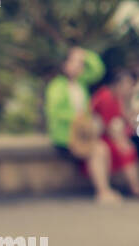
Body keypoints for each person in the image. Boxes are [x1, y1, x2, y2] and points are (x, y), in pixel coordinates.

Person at [44, 46, 122, 204]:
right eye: (75, 62)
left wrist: (85, 55)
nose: (79, 66)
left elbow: (98, 70)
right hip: (66, 136)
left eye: (80, 64)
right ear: (65, 65)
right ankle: (102, 191)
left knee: (103, 149)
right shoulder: (57, 86)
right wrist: (77, 118)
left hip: (83, 133)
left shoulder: (80, 82)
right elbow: (54, 112)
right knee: (98, 150)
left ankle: (105, 188)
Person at [89, 66, 139, 198]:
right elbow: (110, 126)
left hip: (111, 136)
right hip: (101, 138)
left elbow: (127, 120)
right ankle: (135, 187)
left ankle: (136, 186)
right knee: (126, 150)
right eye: (127, 84)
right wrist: (122, 142)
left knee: (130, 146)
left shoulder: (116, 98)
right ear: (118, 84)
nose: (129, 88)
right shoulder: (106, 97)